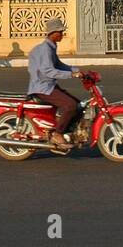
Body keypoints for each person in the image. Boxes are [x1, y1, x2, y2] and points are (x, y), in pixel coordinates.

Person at [27, 17, 83, 150]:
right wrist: (72, 74)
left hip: (48, 85)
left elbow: (59, 65)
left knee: (79, 105)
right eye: (60, 32)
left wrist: (78, 71)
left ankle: (68, 131)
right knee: (71, 105)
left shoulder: (51, 46)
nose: (62, 34)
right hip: (42, 87)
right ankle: (57, 134)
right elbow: (50, 72)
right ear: (53, 33)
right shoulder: (46, 49)